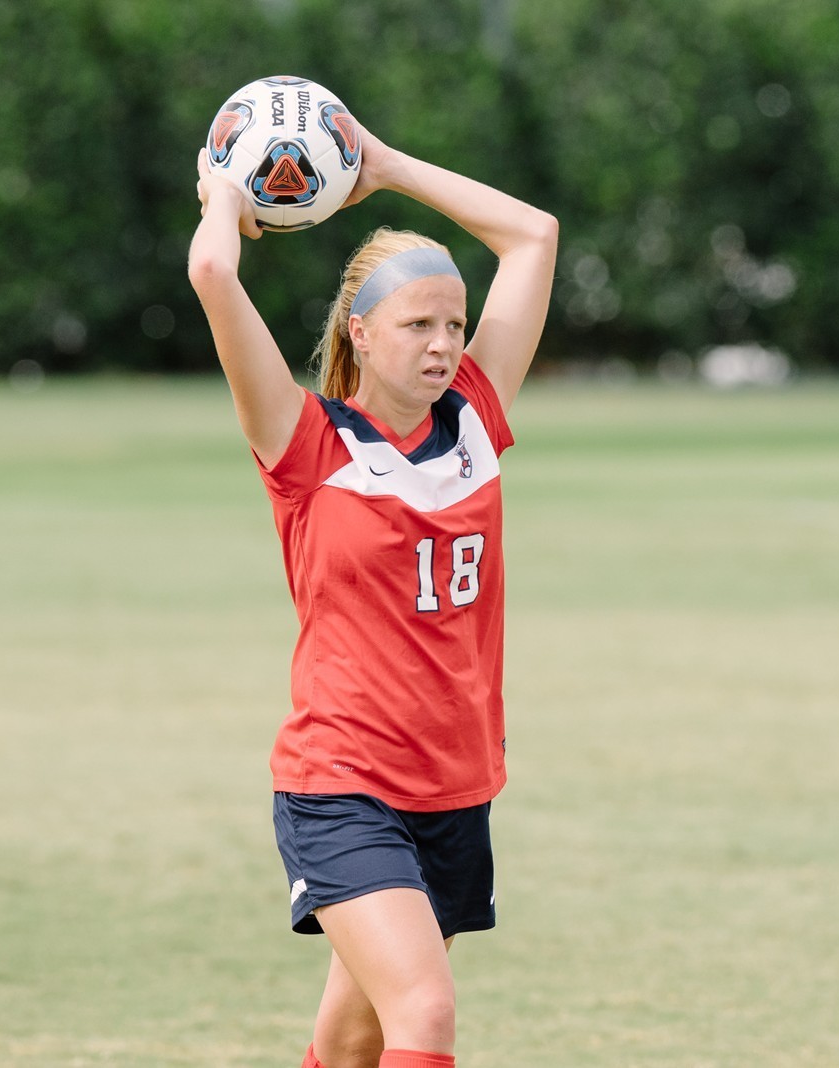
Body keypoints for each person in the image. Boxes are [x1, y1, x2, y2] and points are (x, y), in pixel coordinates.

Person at [187, 109, 558, 1068]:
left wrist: (385, 166)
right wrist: (225, 194)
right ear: (360, 330)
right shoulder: (307, 444)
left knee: (349, 1044)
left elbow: (534, 235)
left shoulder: (475, 416)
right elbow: (213, 274)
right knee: (423, 1018)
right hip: (344, 788)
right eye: (417, 324)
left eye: (455, 324)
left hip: (456, 786)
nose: (443, 345)